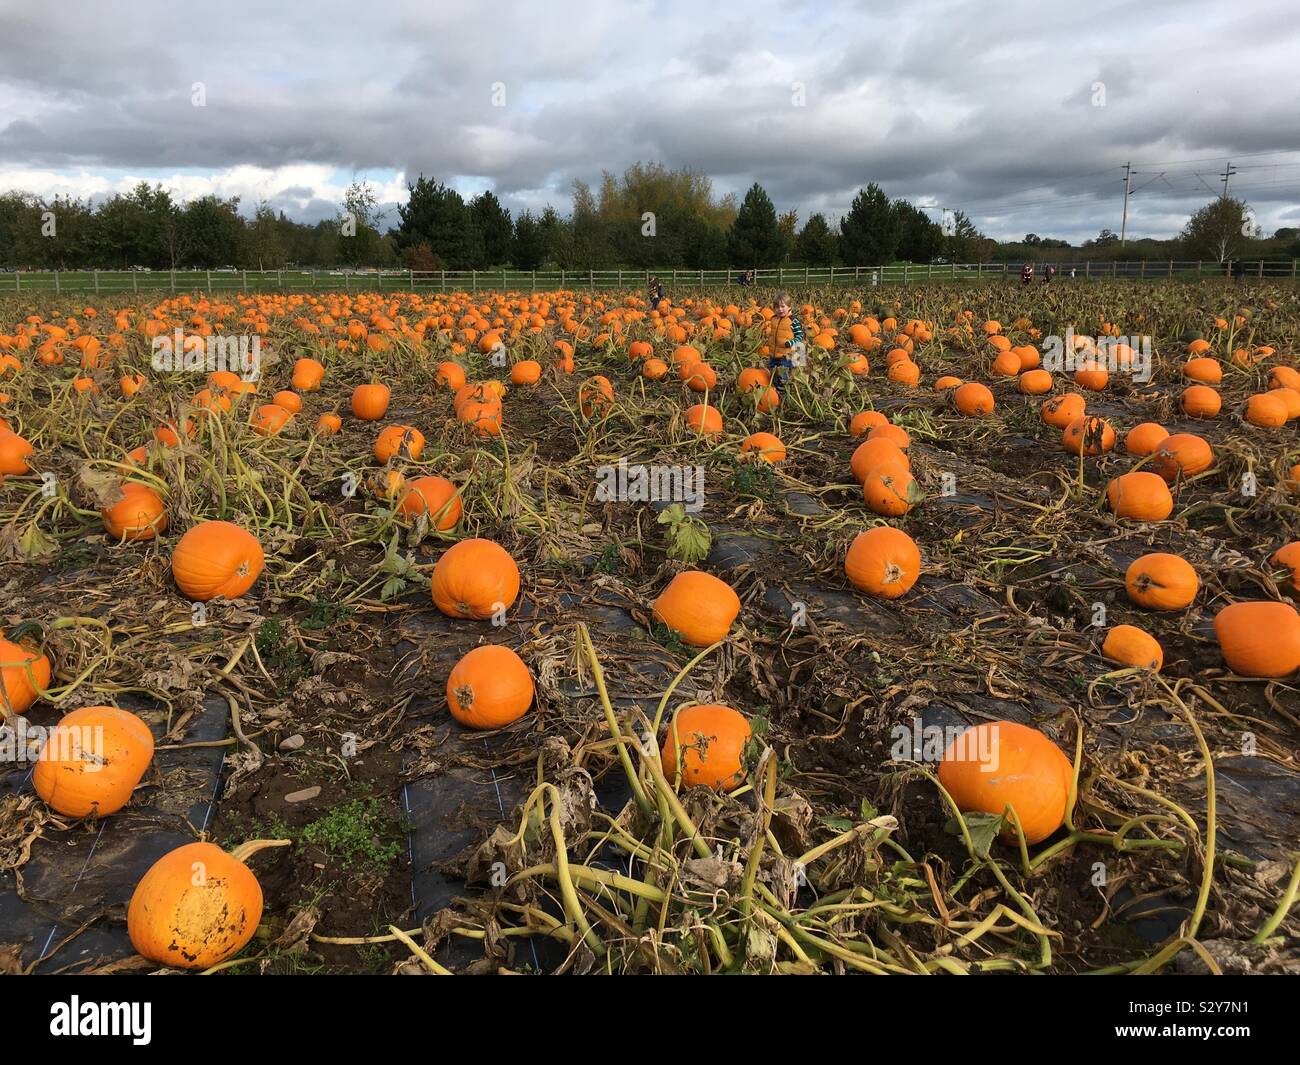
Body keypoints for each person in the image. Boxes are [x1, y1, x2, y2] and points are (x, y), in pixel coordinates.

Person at [764, 291, 804, 396]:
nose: (780, 309)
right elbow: (773, 334)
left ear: (789, 307)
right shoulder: (773, 319)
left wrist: (791, 342)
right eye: (777, 307)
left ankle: (784, 393)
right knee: (772, 373)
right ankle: (774, 390)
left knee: (783, 375)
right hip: (773, 353)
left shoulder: (793, 321)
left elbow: (800, 336)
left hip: (786, 355)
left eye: (783, 306)